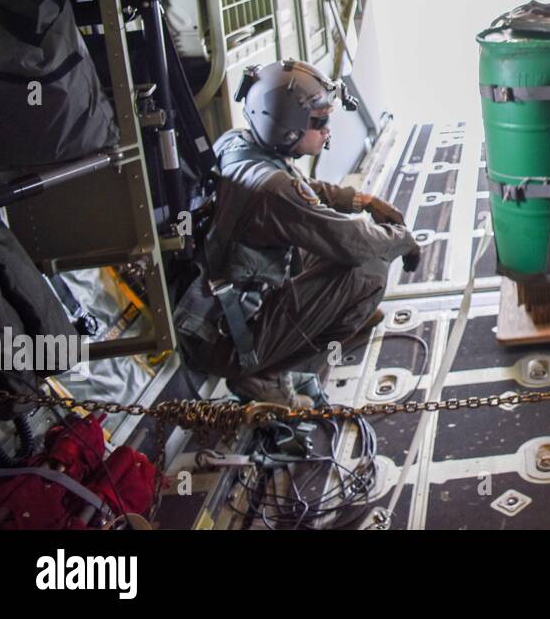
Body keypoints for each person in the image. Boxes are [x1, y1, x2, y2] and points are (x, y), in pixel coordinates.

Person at [175, 60, 418, 408]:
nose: (327, 130)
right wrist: (402, 240)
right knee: (368, 273)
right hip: (224, 339)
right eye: (319, 122)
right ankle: (262, 375)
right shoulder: (274, 192)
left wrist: (361, 200)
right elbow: (354, 243)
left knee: (337, 253)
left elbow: (302, 187)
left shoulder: (239, 144)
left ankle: (284, 349)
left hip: (212, 307)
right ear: (288, 127)